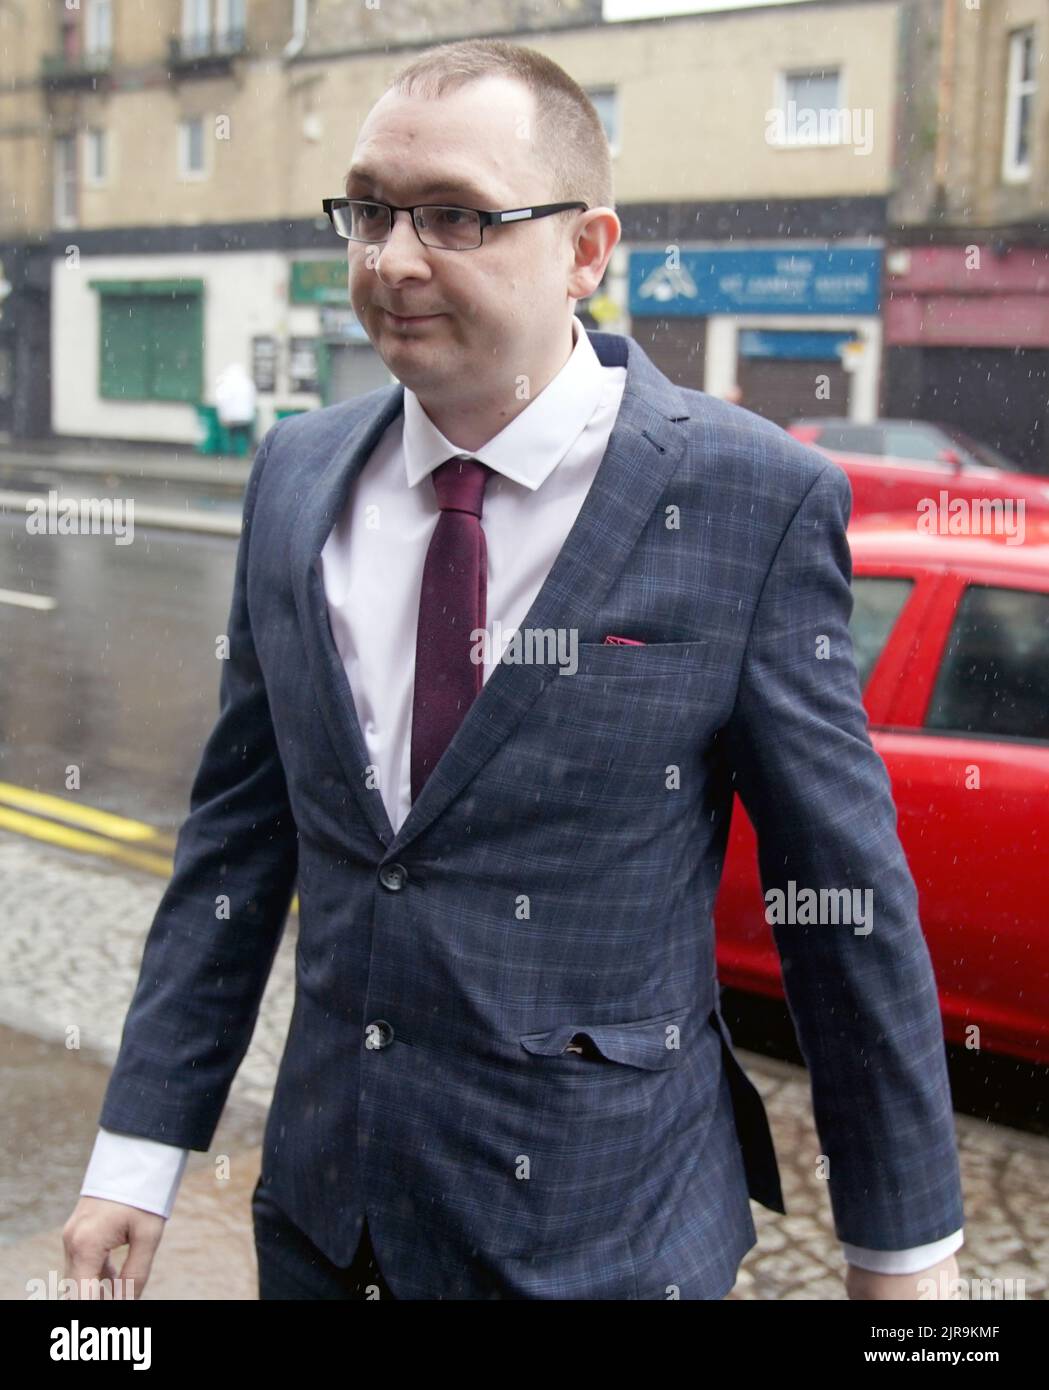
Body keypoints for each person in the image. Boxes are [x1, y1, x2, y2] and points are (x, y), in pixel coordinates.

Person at [63, 38, 964, 1301]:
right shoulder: (294, 478)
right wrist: (138, 1151)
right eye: (368, 209)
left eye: (453, 217)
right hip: (326, 1236)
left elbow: (841, 898)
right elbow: (235, 845)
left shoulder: (745, 499)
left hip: (604, 1244)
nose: (388, 258)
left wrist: (899, 1256)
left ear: (586, 251)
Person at [214, 362, 257, 457]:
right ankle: (251, 452)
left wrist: (222, 416)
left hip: (232, 416)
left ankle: (232, 453)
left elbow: (223, 401)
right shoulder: (247, 382)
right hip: (247, 415)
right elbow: (253, 398)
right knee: (247, 435)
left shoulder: (226, 384)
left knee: (232, 435)